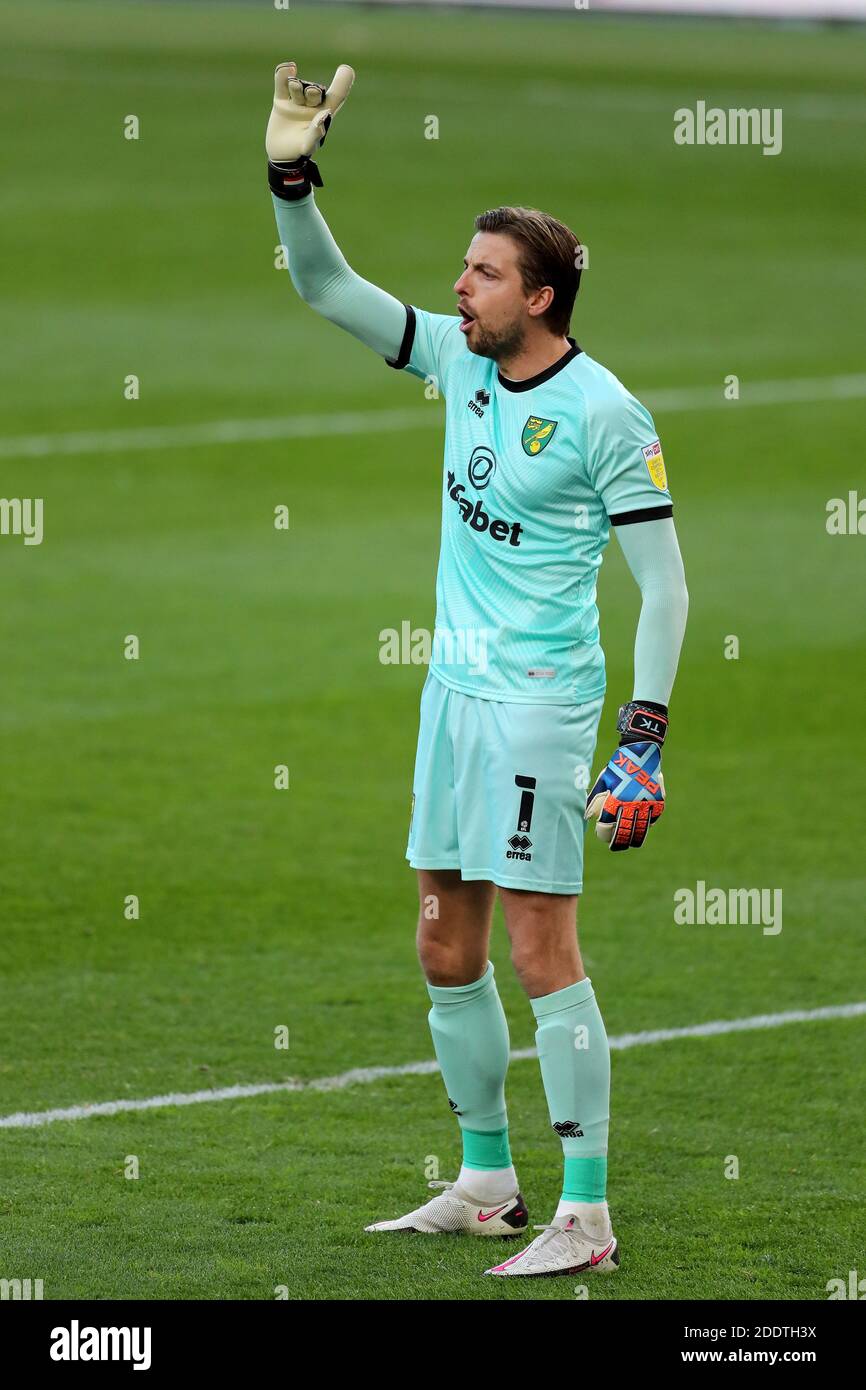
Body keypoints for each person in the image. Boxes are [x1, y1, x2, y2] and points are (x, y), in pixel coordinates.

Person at [266, 62, 688, 1278]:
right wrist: (292, 175)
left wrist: (642, 733)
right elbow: (323, 283)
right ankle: (486, 1182)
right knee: (443, 945)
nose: (457, 287)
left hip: (538, 711)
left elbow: (663, 586)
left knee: (538, 951)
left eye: (482, 273)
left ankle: (588, 1217)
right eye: (461, 269)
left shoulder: (606, 414)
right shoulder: (454, 361)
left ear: (540, 296)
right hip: (450, 695)